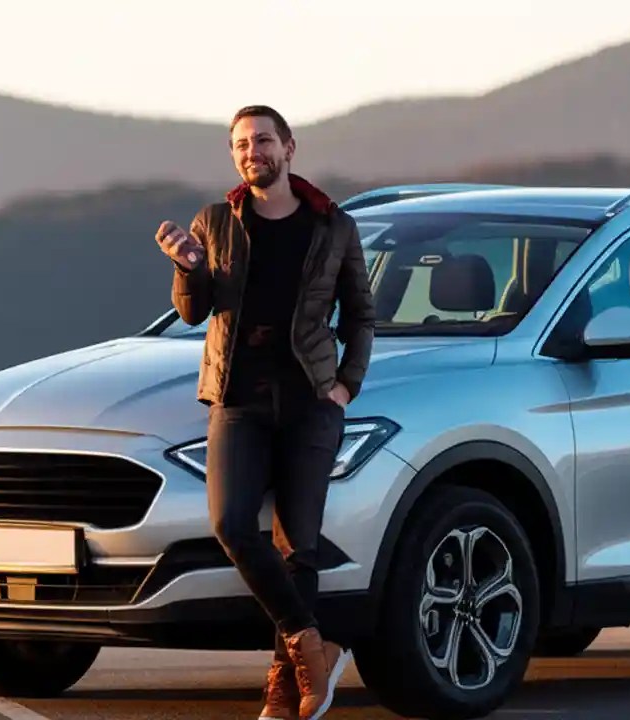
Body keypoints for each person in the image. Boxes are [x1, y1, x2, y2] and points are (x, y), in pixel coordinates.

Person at [154, 105, 375, 720]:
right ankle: (313, 645)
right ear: (234, 155)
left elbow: (360, 315)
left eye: (264, 140)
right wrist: (186, 268)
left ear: (289, 148)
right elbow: (194, 314)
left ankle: (285, 684)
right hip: (236, 399)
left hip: (310, 400)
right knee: (231, 524)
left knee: (297, 547)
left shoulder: (333, 227)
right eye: (242, 144)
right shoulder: (216, 222)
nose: (253, 151)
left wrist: (345, 387)